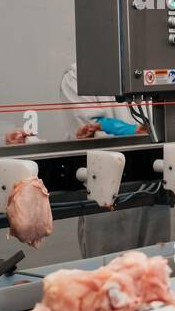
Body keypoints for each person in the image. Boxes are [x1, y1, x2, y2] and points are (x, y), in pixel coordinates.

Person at [58, 64, 168, 257]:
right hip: (107, 199)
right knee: (109, 275)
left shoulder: (150, 67)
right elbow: (89, 129)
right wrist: (136, 131)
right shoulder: (78, 75)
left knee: (154, 271)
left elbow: (167, 120)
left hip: (154, 192)